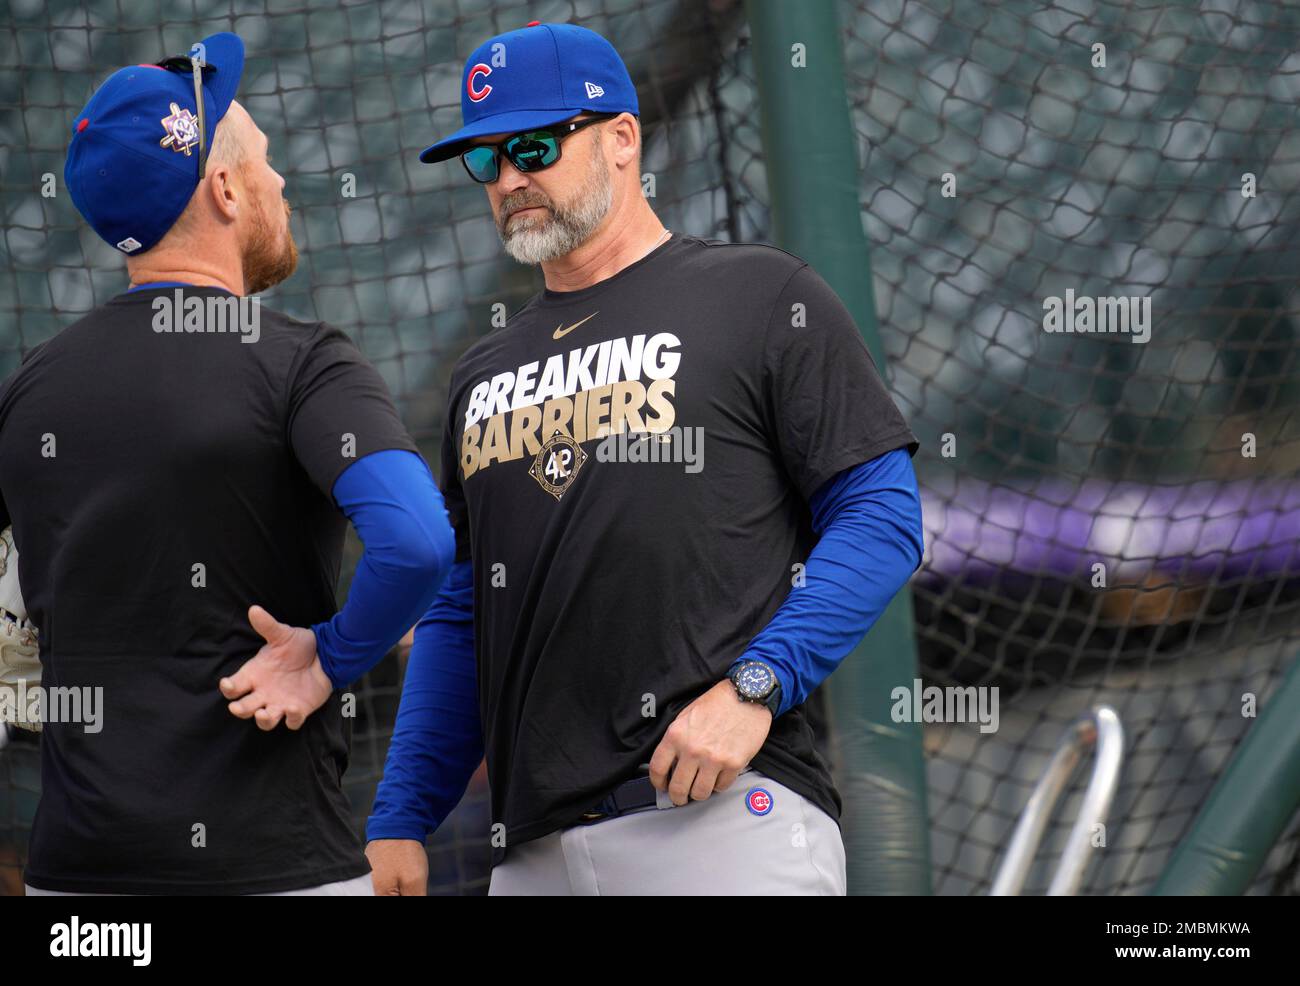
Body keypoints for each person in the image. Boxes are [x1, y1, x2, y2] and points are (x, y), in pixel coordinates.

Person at [363, 21, 925, 895]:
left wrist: (756, 686)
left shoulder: (762, 295)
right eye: (487, 161)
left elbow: (884, 516)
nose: (511, 179)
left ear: (622, 139)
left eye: (536, 146)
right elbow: (461, 614)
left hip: (723, 823)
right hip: (535, 854)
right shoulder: (482, 372)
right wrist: (400, 815)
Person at [0, 31, 454, 895]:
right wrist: (329, 657)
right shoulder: (301, 362)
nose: (281, 181)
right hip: (276, 870)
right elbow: (419, 542)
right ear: (224, 189)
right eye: (266, 161)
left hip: (77, 888)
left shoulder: (30, 390)